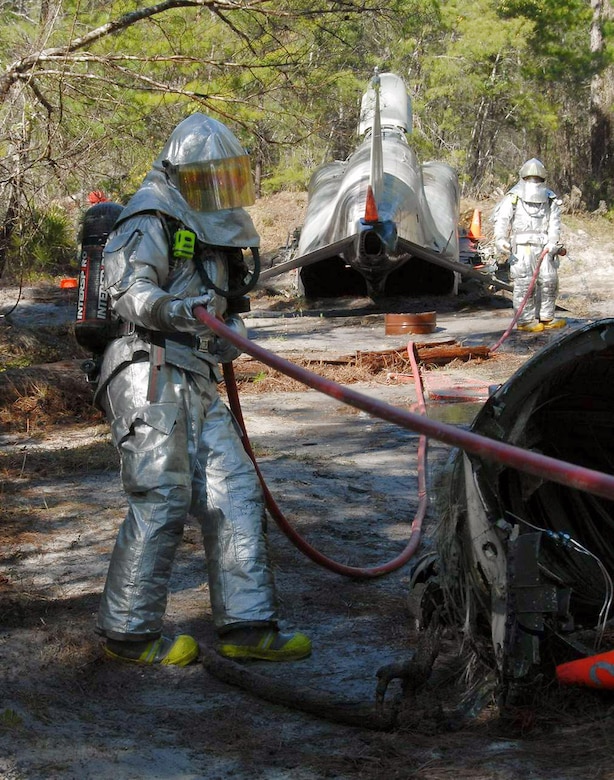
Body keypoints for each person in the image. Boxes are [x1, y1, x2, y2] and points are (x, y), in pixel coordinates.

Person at [93, 112, 311, 667]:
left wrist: (228, 332)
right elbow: (128, 289)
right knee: (161, 493)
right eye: (206, 178)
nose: (216, 190)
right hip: (148, 366)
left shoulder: (213, 229)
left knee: (233, 489)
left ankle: (247, 624)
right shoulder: (149, 217)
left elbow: (225, 302)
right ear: (182, 174)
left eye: (224, 178)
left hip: (194, 371)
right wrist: (175, 310)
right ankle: (129, 634)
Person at [493, 158, 566, 333]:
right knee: (525, 283)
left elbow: (554, 223)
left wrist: (552, 242)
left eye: (537, 178)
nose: (534, 181)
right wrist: (500, 238)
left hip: (544, 246)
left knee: (549, 281)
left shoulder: (550, 199)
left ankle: (547, 316)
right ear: (523, 177)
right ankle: (525, 320)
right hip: (523, 247)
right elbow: (502, 219)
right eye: (531, 177)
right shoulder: (514, 197)